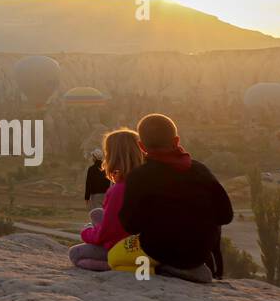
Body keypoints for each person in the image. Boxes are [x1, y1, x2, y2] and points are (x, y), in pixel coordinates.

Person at [117, 113, 233, 282]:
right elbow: (225, 215)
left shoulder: (139, 177)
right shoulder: (200, 170)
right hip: (199, 255)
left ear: (141, 146)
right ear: (177, 141)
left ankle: (164, 271)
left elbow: (130, 225)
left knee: (114, 258)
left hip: (159, 251)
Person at [69, 129, 142, 271]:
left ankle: (112, 265)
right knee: (97, 214)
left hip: (122, 248)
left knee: (75, 254)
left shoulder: (119, 190)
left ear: (112, 158)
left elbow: (107, 234)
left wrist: (87, 232)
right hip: (140, 245)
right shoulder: (145, 183)